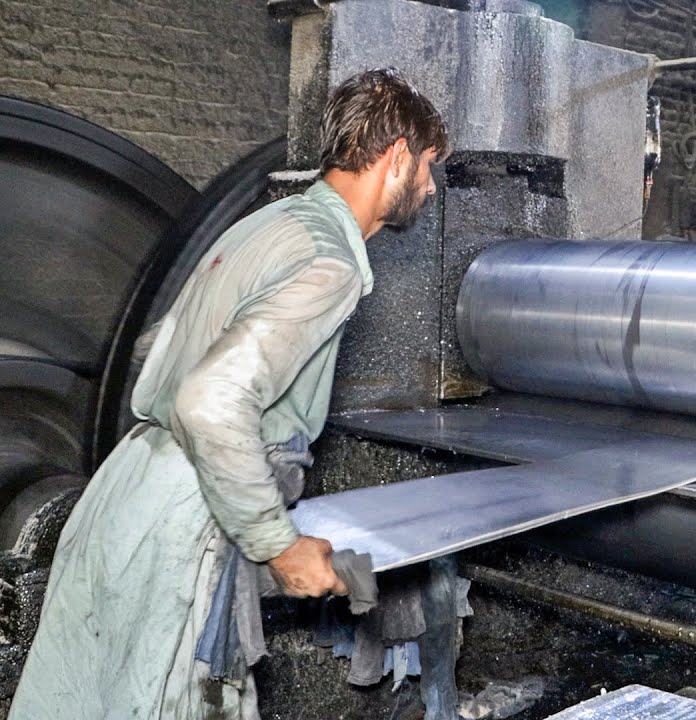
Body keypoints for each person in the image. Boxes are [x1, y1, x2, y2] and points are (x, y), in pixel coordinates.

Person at [11, 67, 448, 719]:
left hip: (126, 493)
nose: (431, 186)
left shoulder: (268, 226)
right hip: (183, 527)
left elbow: (159, 344)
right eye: (428, 168)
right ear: (395, 158)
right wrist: (278, 543)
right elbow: (210, 402)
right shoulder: (327, 264)